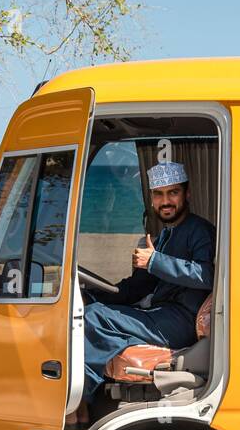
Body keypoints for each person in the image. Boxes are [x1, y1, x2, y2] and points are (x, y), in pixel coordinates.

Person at [81, 161, 214, 402]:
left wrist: (154, 261)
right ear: (151, 199)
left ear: (187, 194)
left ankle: (78, 404)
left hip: (181, 320)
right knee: (89, 313)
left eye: (173, 193)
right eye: (159, 194)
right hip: (161, 314)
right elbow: (138, 287)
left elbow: (207, 276)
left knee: (92, 318)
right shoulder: (165, 234)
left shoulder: (199, 230)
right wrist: (91, 294)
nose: (166, 201)